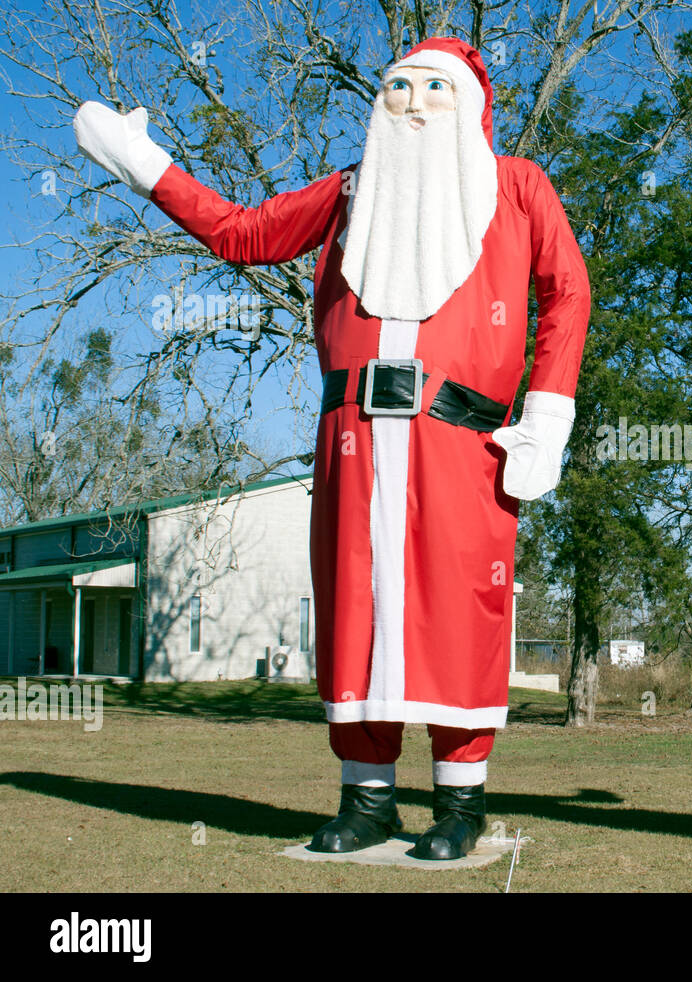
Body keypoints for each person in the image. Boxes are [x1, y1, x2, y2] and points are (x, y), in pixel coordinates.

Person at [73, 36, 590, 860]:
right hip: (350, 437)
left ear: (471, 104)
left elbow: (566, 288)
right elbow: (243, 234)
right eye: (397, 88)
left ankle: (460, 803)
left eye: (434, 89)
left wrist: (550, 410)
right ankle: (367, 800)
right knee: (358, 611)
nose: (413, 103)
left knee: (460, 611)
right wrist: (145, 164)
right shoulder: (353, 191)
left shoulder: (516, 185)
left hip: (462, 438)